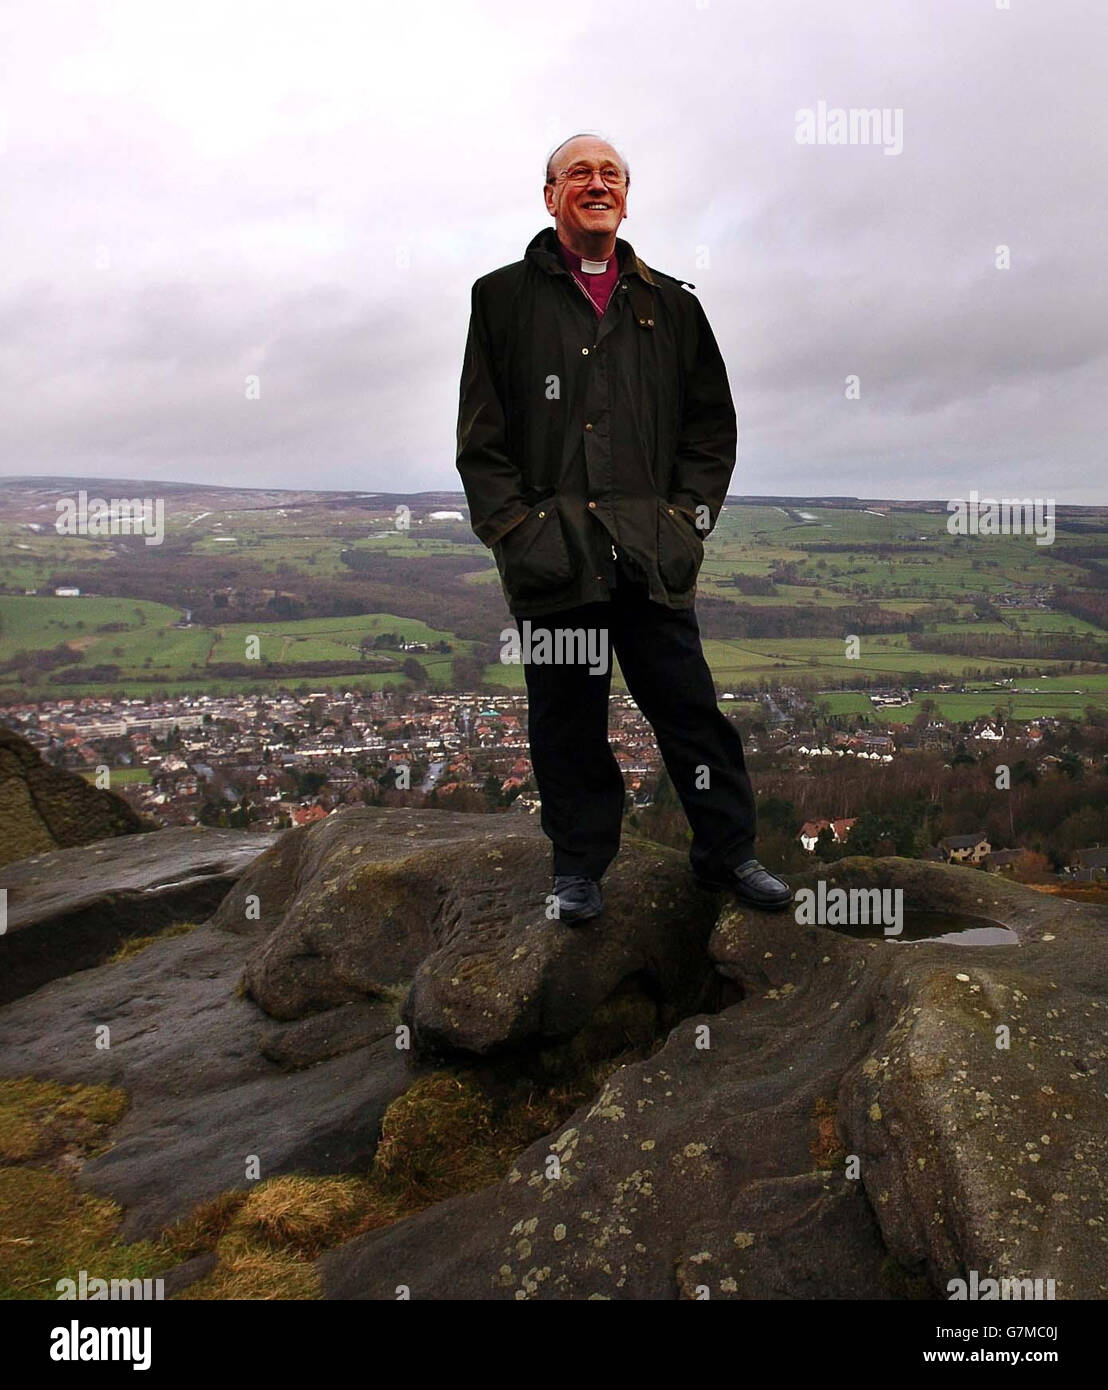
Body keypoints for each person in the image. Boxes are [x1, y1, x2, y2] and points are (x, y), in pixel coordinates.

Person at [456, 131, 791, 923]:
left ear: (627, 197)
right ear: (550, 197)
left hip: (650, 557)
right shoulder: (501, 299)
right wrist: (520, 534)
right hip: (556, 563)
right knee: (566, 722)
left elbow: (711, 432)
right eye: (579, 173)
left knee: (689, 711)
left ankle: (727, 852)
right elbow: (482, 438)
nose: (596, 183)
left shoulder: (671, 305)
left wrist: (686, 527)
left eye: (611, 174)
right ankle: (578, 868)